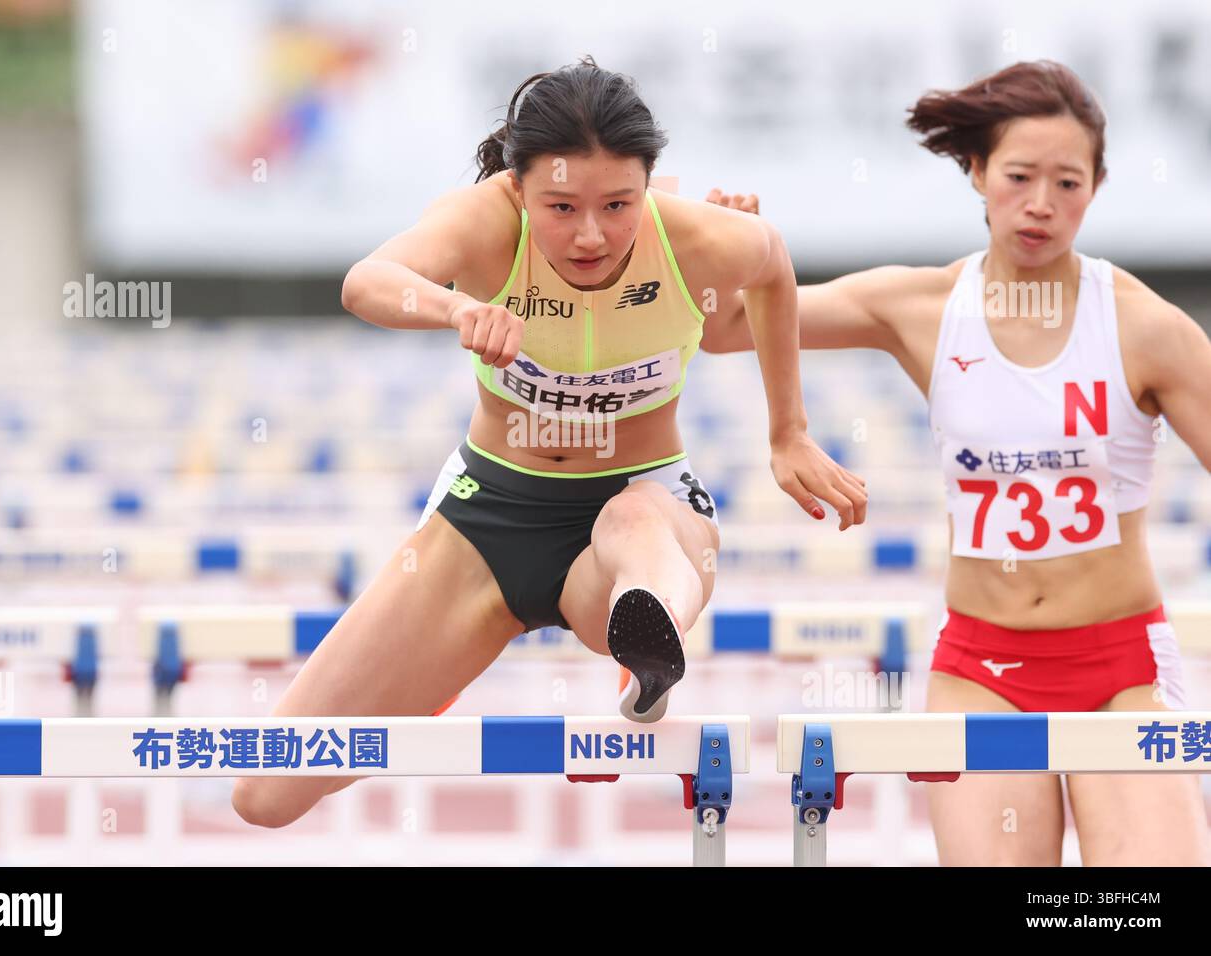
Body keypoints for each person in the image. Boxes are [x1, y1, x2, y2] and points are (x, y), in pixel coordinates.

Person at [232, 57, 866, 829]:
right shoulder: (483, 221)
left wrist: (788, 432)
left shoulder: (701, 238)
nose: (591, 234)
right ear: (516, 186)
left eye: (618, 205)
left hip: (640, 507)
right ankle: (492, 666)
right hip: (491, 515)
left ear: (649, 186)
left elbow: (772, 265)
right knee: (266, 790)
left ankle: (649, 649)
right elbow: (367, 281)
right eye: (560, 206)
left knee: (633, 521)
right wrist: (452, 309)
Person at [704, 60, 1211, 866]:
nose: (1042, 204)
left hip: (1123, 669)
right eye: (1019, 176)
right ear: (977, 172)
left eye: (1068, 183)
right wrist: (728, 253)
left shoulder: (1148, 328)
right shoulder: (922, 308)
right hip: (985, 669)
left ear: (1098, 187)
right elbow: (726, 328)